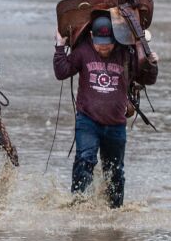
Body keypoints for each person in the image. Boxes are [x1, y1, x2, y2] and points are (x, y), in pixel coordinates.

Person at [53, 14, 158, 208]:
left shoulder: (126, 54)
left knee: (115, 170)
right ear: (92, 36)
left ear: (115, 39)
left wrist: (152, 63)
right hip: (87, 120)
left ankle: (114, 211)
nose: (104, 47)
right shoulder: (83, 51)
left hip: (116, 124)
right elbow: (61, 72)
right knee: (85, 160)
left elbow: (148, 79)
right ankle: (78, 205)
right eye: (100, 43)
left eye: (108, 43)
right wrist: (59, 46)